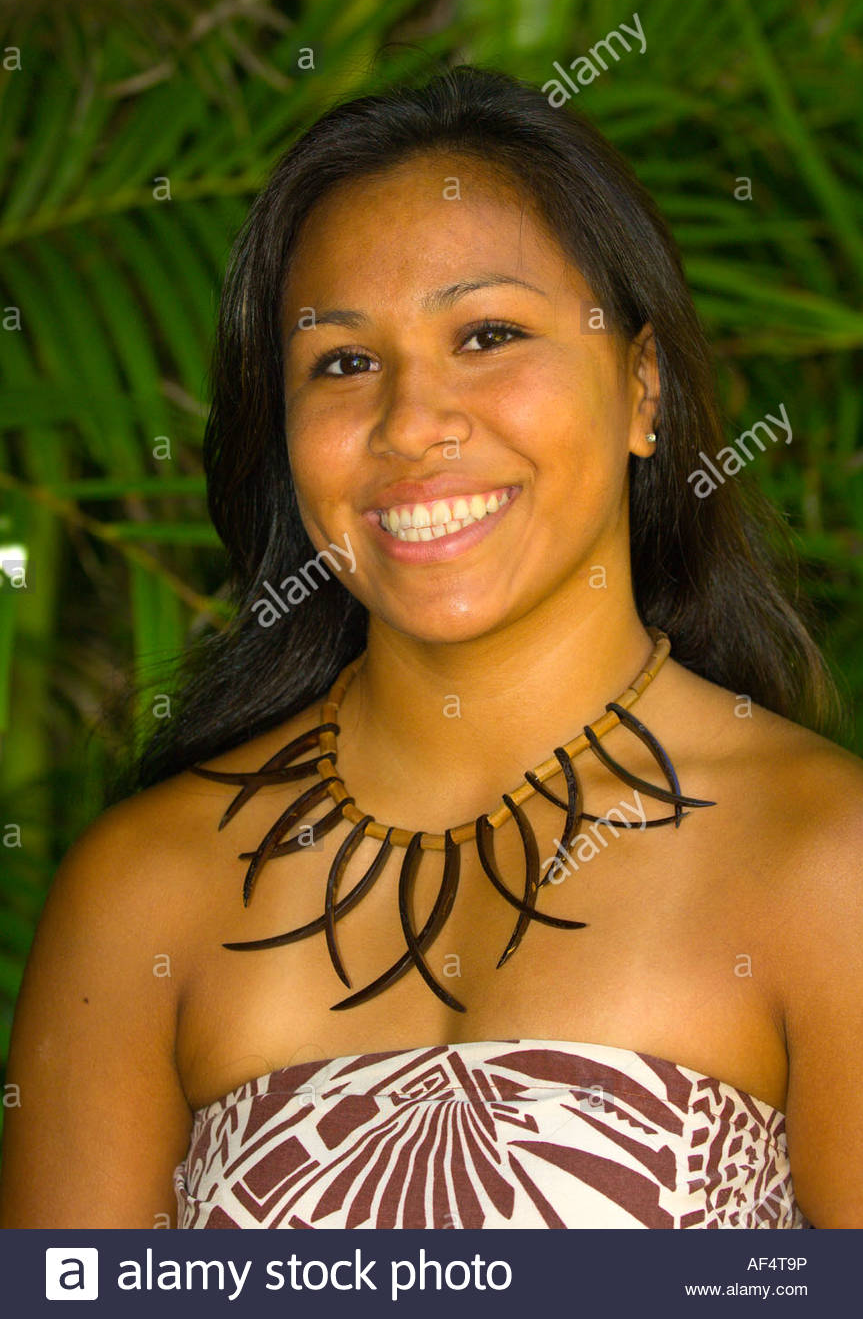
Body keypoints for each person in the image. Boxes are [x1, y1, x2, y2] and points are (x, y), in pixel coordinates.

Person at [1, 65, 861, 1230]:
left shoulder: (823, 864)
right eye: (343, 362)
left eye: (487, 333)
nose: (410, 423)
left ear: (642, 387)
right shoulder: (143, 891)